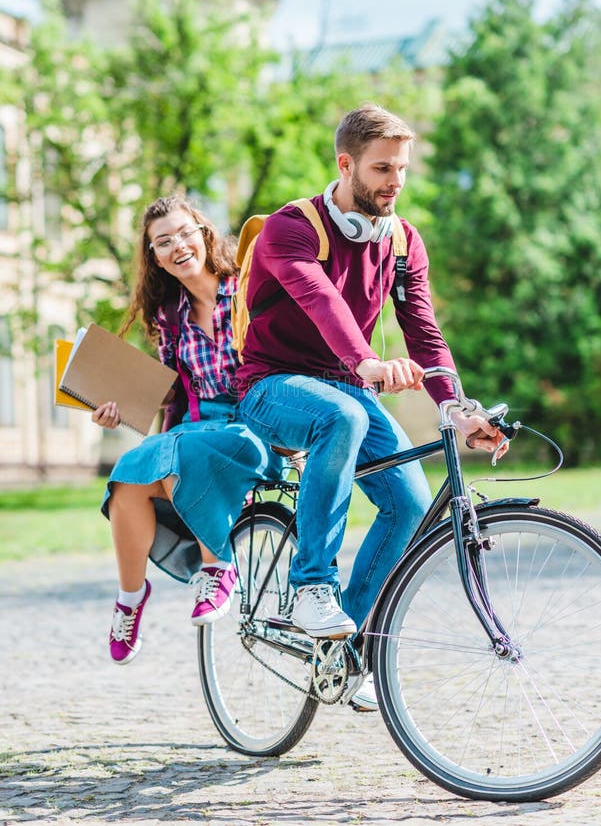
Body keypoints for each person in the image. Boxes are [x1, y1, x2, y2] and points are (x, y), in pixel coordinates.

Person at [236, 103, 507, 709]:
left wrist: (459, 410)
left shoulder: (404, 241)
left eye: (403, 169)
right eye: (383, 168)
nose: (396, 182)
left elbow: (425, 332)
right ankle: (311, 585)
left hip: (350, 385)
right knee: (345, 415)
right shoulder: (293, 227)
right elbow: (320, 299)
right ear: (345, 163)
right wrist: (365, 362)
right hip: (273, 385)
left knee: (411, 503)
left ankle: (346, 650)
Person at [93, 195, 282, 665]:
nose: (177, 245)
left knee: (185, 453)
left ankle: (218, 568)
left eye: (183, 233)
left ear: (204, 232)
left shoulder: (246, 289)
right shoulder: (168, 315)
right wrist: (119, 409)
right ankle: (130, 600)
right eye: (163, 241)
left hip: (255, 427)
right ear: (154, 256)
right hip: (196, 431)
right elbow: (172, 393)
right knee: (129, 473)